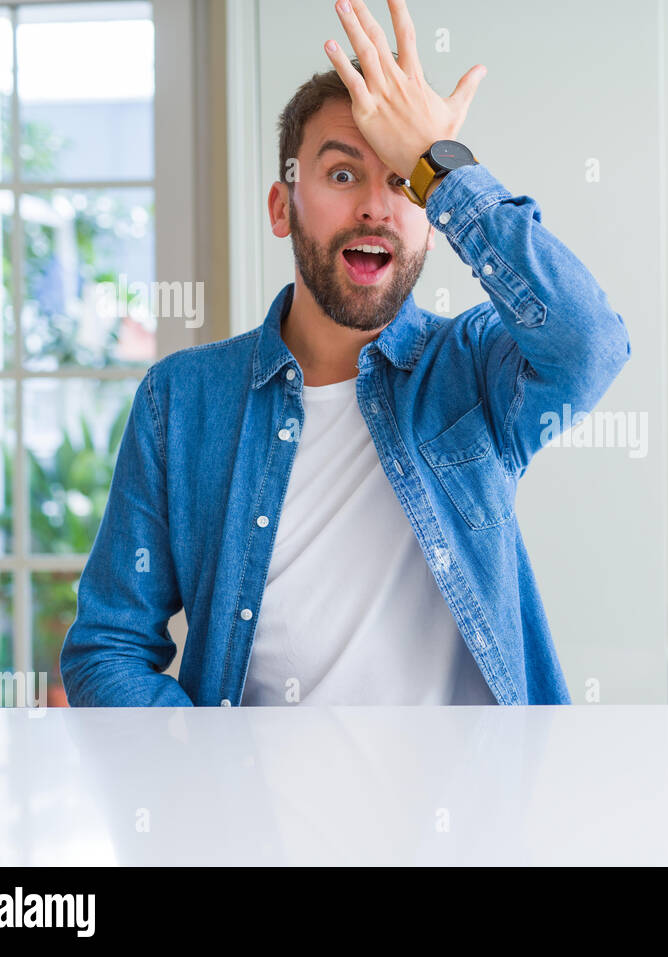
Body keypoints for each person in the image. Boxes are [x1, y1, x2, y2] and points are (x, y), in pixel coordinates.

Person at [60, 0, 630, 706]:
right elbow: (107, 647)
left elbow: (592, 342)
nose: (375, 207)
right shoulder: (179, 402)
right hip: (258, 815)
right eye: (340, 175)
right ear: (281, 207)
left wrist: (443, 167)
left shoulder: (475, 367)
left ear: (430, 221)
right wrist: (210, 769)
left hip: (478, 812)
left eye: (401, 181)